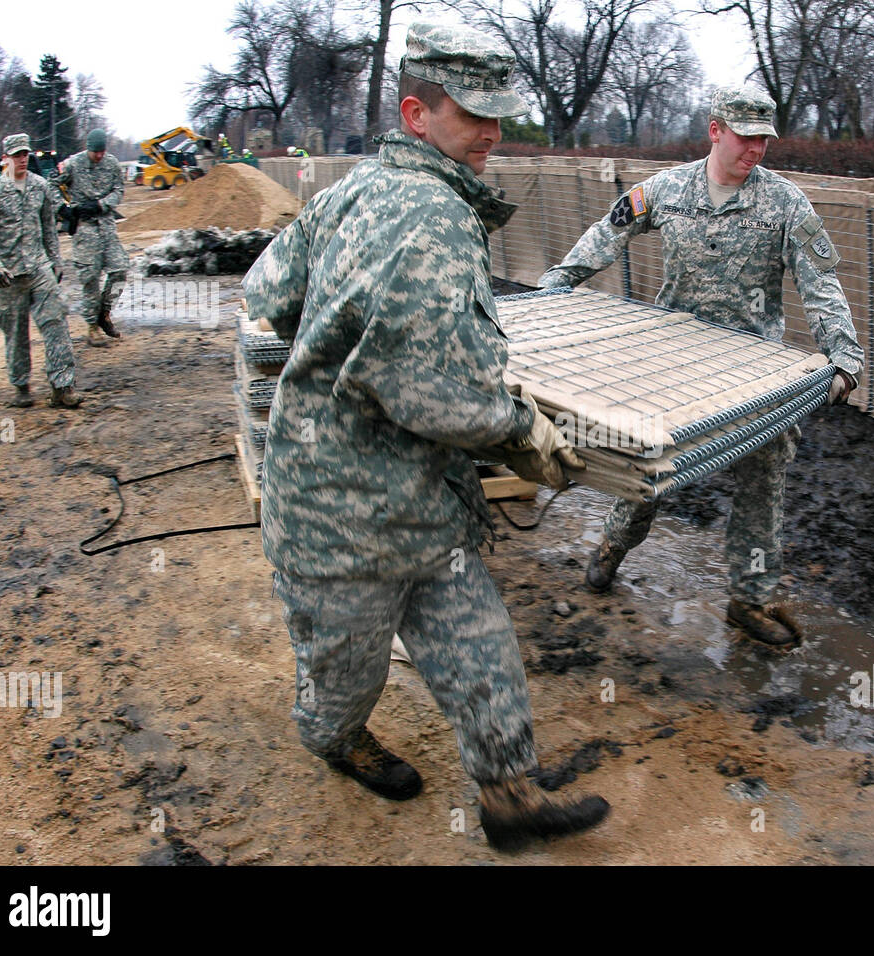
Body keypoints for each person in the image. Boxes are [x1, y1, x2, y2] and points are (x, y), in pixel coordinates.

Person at [242, 21, 607, 852]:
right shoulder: (431, 216)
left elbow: (269, 285)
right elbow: (432, 393)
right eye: (471, 115)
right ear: (415, 114)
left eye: (498, 115)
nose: (491, 133)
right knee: (344, 682)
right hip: (342, 526)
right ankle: (336, 739)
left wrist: (331, 334)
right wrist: (528, 437)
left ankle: (510, 796)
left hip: (423, 510)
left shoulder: (356, 191)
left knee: (479, 650)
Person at [539, 85, 864, 649]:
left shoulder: (784, 204)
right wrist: (560, 282)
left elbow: (821, 282)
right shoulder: (667, 189)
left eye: (765, 139)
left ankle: (750, 597)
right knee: (648, 471)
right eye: (746, 137)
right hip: (673, 363)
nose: (757, 149)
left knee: (764, 482)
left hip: (753, 371)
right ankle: (614, 546)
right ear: (716, 131)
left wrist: (843, 356)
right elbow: (608, 231)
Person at [0, 133, 80, 408]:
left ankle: (62, 386)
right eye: (17, 155)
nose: (22, 159)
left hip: (39, 269)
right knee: (16, 333)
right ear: (5, 159)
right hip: (9, 277)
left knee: (56, 323)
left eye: (25, 154)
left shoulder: (40, 187)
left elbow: (49, 229)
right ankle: (21, 386)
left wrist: (56, 262)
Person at [59, 128, 126, 348]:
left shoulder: (112, 164)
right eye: (95, 151)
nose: (99, 155)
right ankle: (92, 327)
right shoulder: (72, 164)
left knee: (120, 269)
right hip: (84, 228)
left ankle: (103, 314)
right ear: (88, 148)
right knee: (90, 278)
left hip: (106, 224)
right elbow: (50, 185)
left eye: (102, 151)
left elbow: (118, 190)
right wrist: (63, 209)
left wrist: (101, 204)